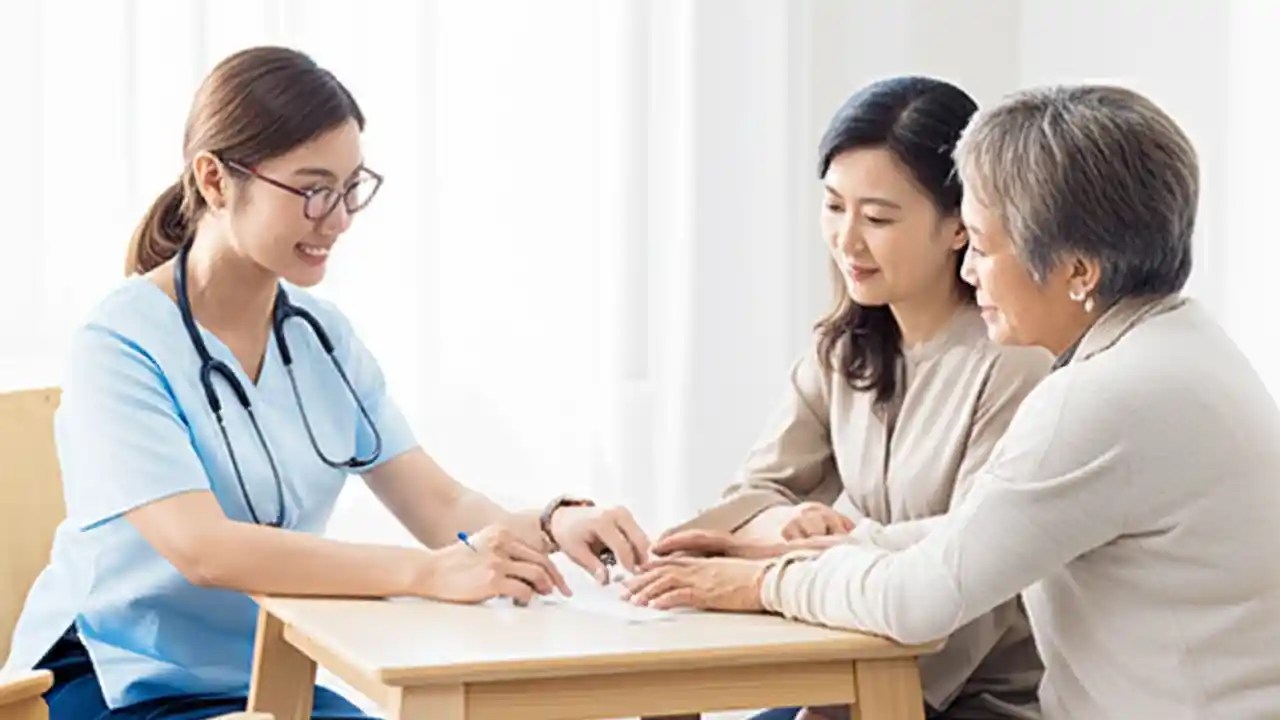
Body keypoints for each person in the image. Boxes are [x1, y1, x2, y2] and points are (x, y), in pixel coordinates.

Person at [2, 46, 652, 720]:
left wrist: (553, 524)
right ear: (216, 181)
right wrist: (429, 576)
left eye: (350, 189)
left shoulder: (321, 338)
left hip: (258, 675)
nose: (338, 219)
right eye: (313, 189)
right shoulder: (120, 342)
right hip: (111, 677)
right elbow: (204, 549)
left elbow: (440, 505)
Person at [629, 84, 1280, 718]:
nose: (970, 270)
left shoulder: (1103, 399)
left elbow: (923, 600)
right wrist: (804, 552)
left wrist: (764, 585)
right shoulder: (1184, 350)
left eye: (985, 246)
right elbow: (973, 533)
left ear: (1080, 270)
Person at [657, 77, 1051, 719]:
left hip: (971, 697)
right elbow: (748, 498)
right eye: (835, 207)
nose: (847, 240)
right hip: (849, 659)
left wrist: (836, 697)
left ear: (960, 226)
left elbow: (979, 592)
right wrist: (787, 525)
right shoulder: (842, 349)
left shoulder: (1015, 364)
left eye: (878, 218)